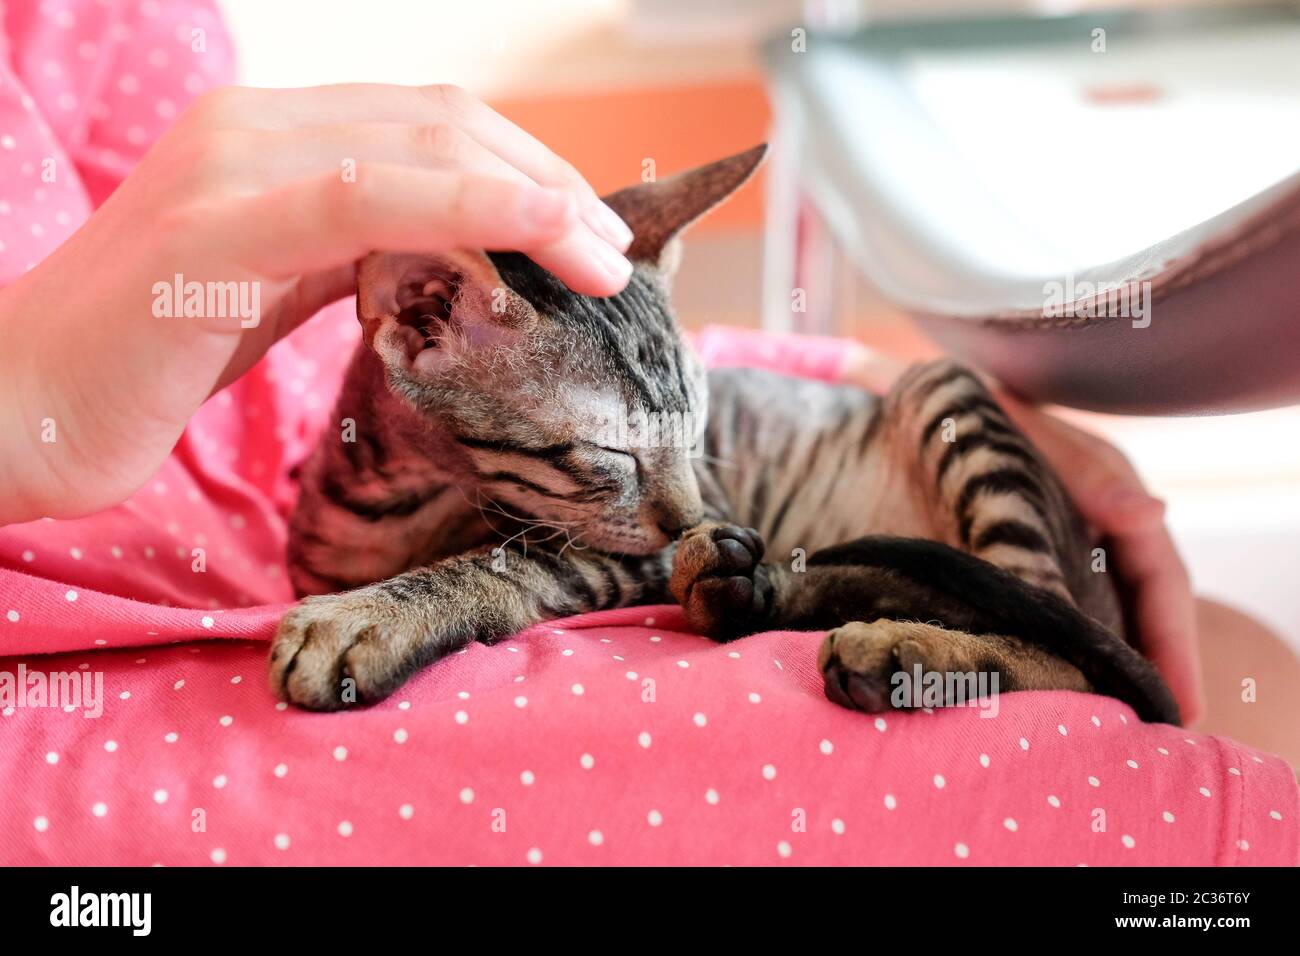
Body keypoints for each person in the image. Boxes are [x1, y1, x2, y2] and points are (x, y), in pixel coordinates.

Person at [6, 0, 1293, 759]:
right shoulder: (446, 373)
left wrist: (840, 364)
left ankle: (1024, 651)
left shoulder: (546, 438)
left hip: (890, 508)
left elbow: (652, 465)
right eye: (619, 470)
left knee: (943, 401)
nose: (690, 511)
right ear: (420, 320)